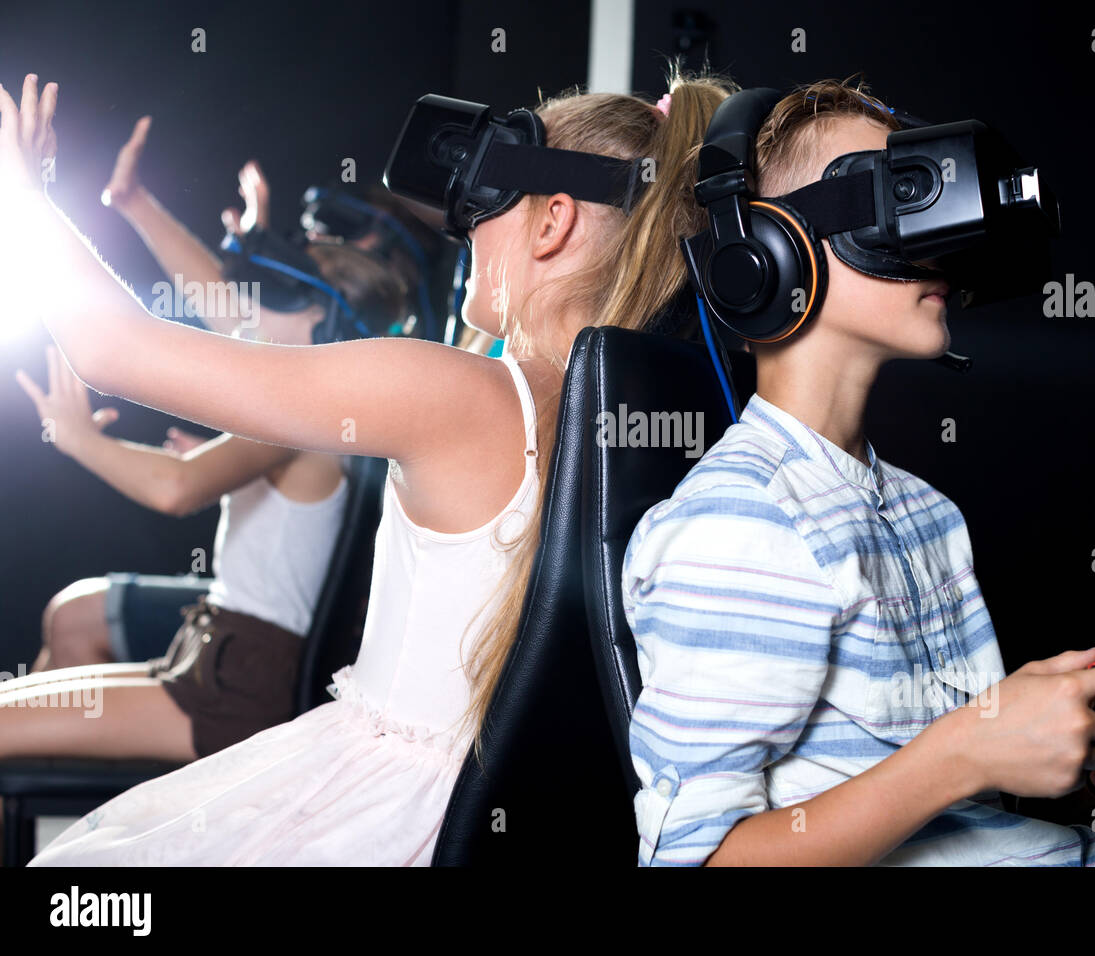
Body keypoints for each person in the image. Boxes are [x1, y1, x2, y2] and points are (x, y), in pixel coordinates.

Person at [0, 68, 731, 864]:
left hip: (381, 813)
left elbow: (114, 349)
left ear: (553, 222)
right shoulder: (642, 416)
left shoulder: (460, 393)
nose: (466, 233)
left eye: (485, 207)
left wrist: (23, 196)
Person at [620, 79, 1095, 866]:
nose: (933, 243)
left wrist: (1067, 755)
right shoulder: (741, 523)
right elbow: (698, 859)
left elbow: (917, 795)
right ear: (762, 256)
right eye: (890, 201)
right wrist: (966, 751)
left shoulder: (926, 511)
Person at [4, 127, 410, 764]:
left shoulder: (300, 412)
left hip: (238, 686)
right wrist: (132, 200)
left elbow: (175, 488)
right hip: (218, 654)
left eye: (269, 297)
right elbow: (221, 303)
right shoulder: (311, 397)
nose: (240, 308)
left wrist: (79, 439)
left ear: (320, 323)